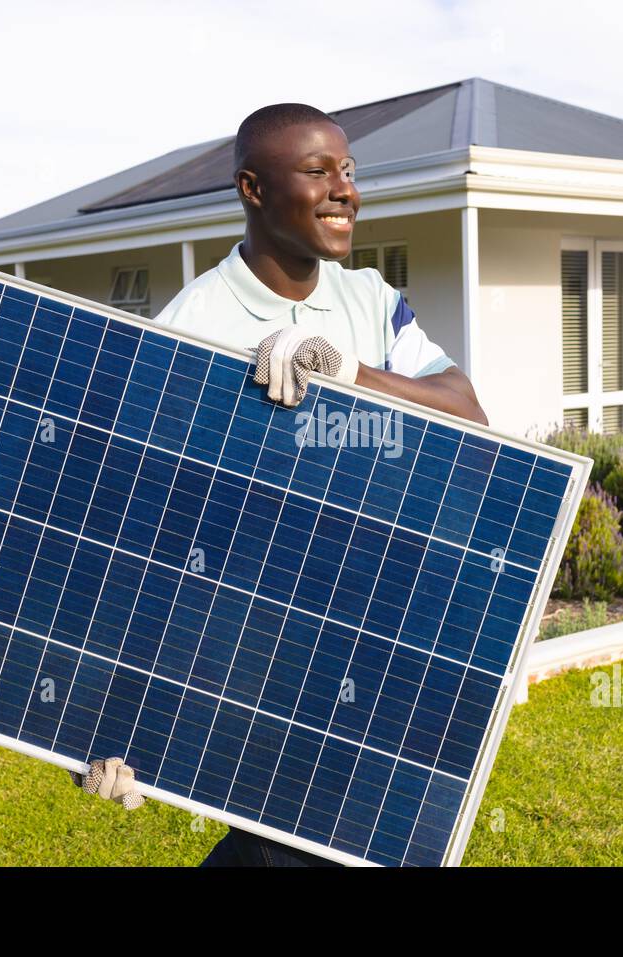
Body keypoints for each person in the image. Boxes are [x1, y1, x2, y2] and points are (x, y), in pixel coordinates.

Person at [73, 102, 487, 865]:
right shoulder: (191, 324)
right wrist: (108, 723)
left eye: (349, 171)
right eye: (317, 171)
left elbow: (468, 413)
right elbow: (130, 529)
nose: (344, 190)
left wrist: (349, 370)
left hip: (377, 634)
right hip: (257, 660)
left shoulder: (369, 301)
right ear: (253, 189)